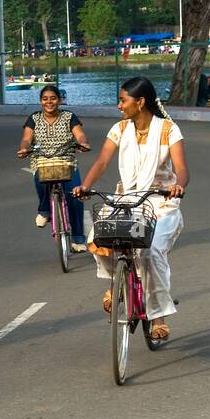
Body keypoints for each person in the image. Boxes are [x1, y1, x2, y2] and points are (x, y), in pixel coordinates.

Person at [72, 76, 189, 343]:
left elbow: (182, 169)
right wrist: (85, 186)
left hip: (161, 202)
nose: (119, 106)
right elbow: (102, 161)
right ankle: (117, 283)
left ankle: (158, 317)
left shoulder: (169, 129)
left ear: (141, 102)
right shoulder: (120, 129)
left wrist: (178, 186)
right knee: (99, 238)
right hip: (128, 199)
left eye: (123, 100)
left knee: (149, 252)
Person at [17, 84, 90, 251]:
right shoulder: (33, 119)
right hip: (42, 160)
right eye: (45, 99)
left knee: (76, 196)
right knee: (39, 179)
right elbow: (27, 138)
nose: (49, 102)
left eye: (53, 98)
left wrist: (82, 143)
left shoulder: (69, 116)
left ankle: (78, 239)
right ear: (40, 101)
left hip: (67, 162)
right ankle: (44, 211)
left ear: (59, 100)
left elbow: (79, 134)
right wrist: (23, 148)